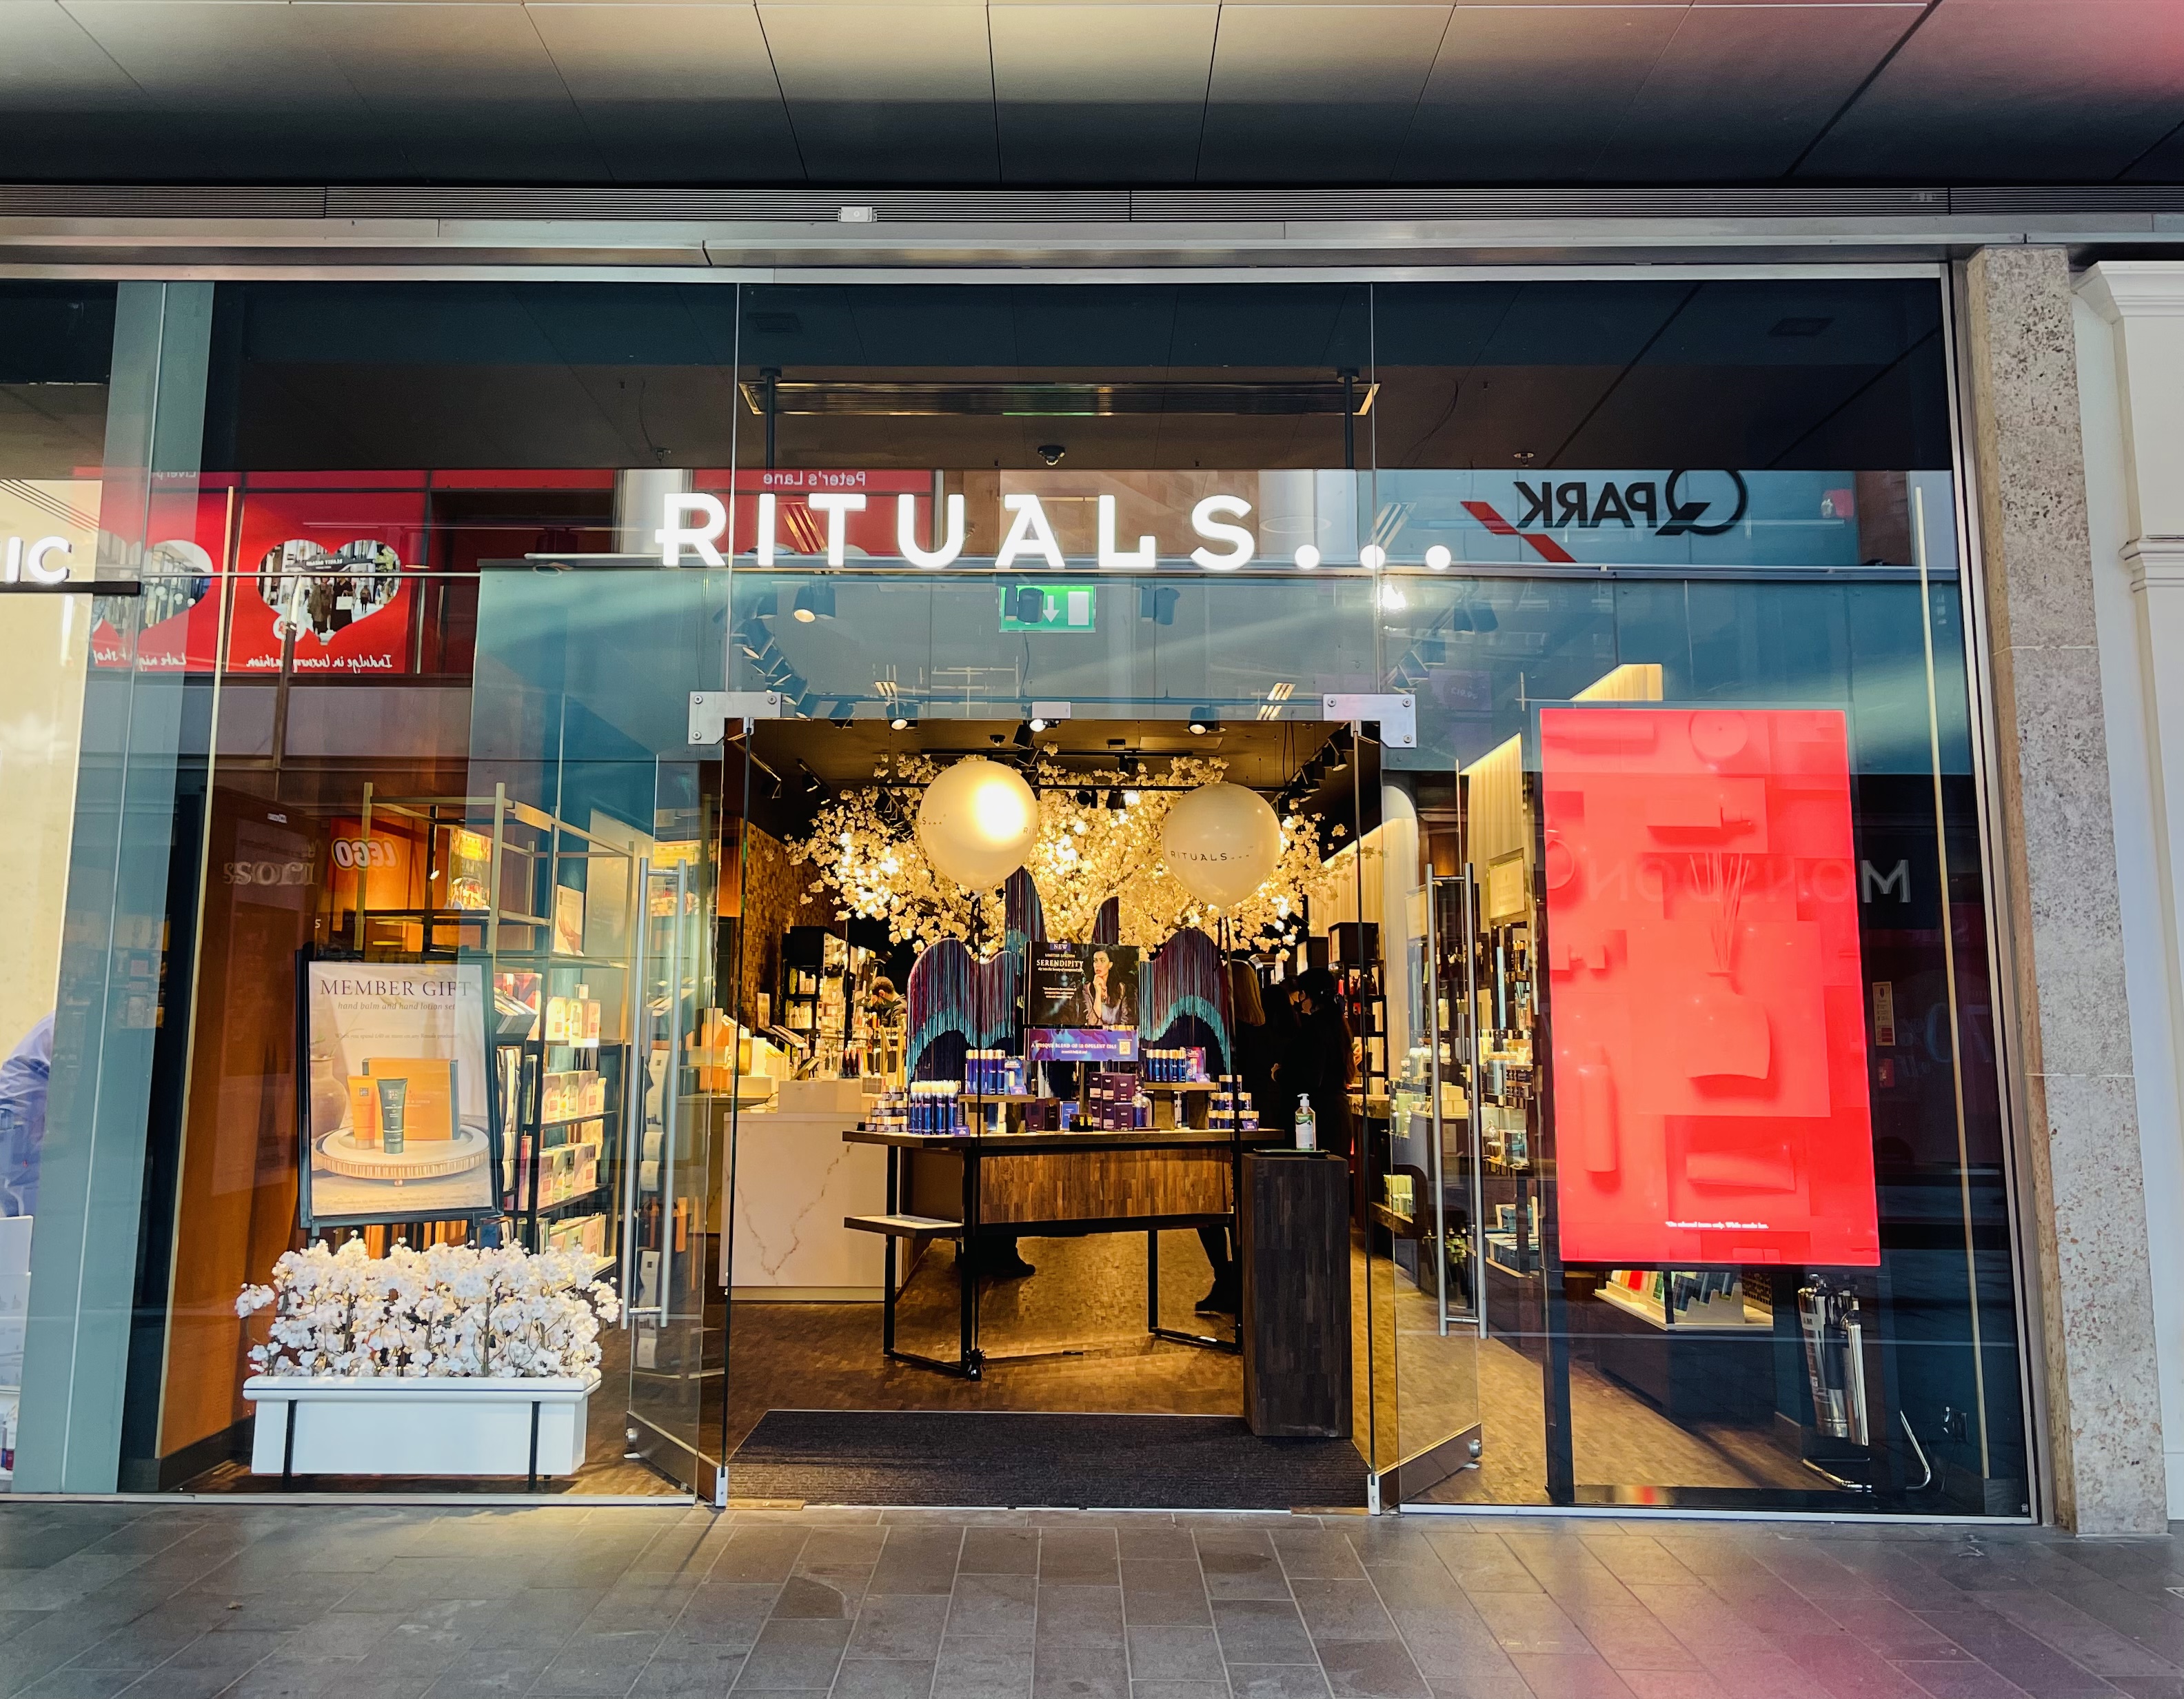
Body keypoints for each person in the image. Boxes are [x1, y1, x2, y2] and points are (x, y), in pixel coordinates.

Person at [1287, 968, 1356, 1163]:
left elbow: (1311, 1077)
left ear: (1309, 994)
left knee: (1319, 1175)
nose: (1299, 999)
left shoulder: (1315, 1027)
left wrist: (1281, 1074)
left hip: (1322, 1117)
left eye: (1301, 993)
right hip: (1339, 1113)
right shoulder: (1338, 1024)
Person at [0, 1014, 52, 1218]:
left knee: (12, 1204)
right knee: (25, 1202)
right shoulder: (72, 1022)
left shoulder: (55, 1020)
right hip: (20, 1116)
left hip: (10, 1112)